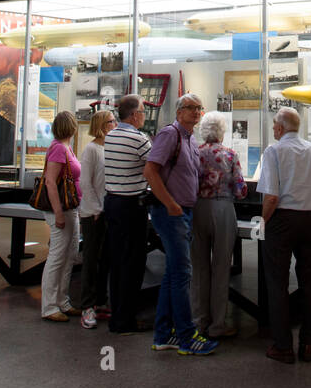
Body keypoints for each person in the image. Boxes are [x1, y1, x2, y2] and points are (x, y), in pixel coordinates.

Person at [145, 93, 218, 356]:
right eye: (190, 108)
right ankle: (187, 337)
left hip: (183, 212)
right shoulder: (170, 135)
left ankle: (164, 334)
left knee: (172, 274)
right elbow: (150, 170)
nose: (196, 112)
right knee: (182, 273)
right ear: (178, 112)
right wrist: (171, 205)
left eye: (199, 108)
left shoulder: (190, 138)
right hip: (171, 213)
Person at [259, 107, 311, 364]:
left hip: (282, 220)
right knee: (309, 282)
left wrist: (262, 221)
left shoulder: (274, 151)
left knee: (277, 283)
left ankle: (283, 346)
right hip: (310, 220)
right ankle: (308, 345)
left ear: (279, 127)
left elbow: (271, 196)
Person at [191, 110, 247, 339]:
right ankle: (217, 325)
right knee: (222, 268)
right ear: (223, 132)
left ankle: (198, 322)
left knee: (199, 268)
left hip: (197, 209)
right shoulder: (230, 155)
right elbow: (241, 190)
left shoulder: (195, 153)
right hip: (223, 209)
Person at [103, 95, 152, 334]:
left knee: (118, 261)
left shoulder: (111, 136)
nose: (144, 115)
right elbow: (154, 166)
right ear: (134, 115)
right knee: (133, 263)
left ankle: (118, 316)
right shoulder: (138, 139)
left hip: (112, 202)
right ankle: (125, 320)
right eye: (142, 111)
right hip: (132, 206)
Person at [40, 111, 82, 322]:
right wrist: (58, 213)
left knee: (69, 255)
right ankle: (49, 306)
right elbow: (50, 182)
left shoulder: (65, 148)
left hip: (69, 209)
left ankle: (62, 301)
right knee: (57, 256)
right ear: (72, 127)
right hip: (62, 210)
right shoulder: (58, 148)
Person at [78, 110, 116, 329]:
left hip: (108, 210)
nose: (115, 124)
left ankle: (101, 301)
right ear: (102, 124)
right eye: (111, 121)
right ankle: (88, 305)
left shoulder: (110, 148)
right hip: (93, 213)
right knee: (91, 259)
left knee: (106, 259)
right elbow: (86, 182)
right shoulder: (92, 149)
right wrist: (95, 209)